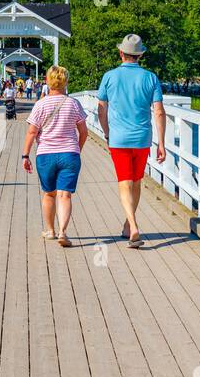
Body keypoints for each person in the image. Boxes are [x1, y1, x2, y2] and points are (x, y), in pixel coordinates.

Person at [96, 34, 166, 249]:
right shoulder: (150, 77)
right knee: (136, 182)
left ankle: (132, 225)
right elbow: (159, 112)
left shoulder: (109, 76)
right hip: (142, 138)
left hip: (119, 139)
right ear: (140, 55)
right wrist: (161, 143)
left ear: (121, 53)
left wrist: (107, 132)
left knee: (124, 182)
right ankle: (129, 224)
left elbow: (101, 109)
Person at [21, 65, 87, 247]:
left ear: (48, 81)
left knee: (49, 194)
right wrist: (76, 149)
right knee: (65, 195)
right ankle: (63, 232)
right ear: (65, 81)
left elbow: (31, 132)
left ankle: (50, 230)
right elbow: (83, 132)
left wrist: (25, 156)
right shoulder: (73, 103)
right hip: (69, 154)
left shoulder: (40, 104)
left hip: (46, 155)